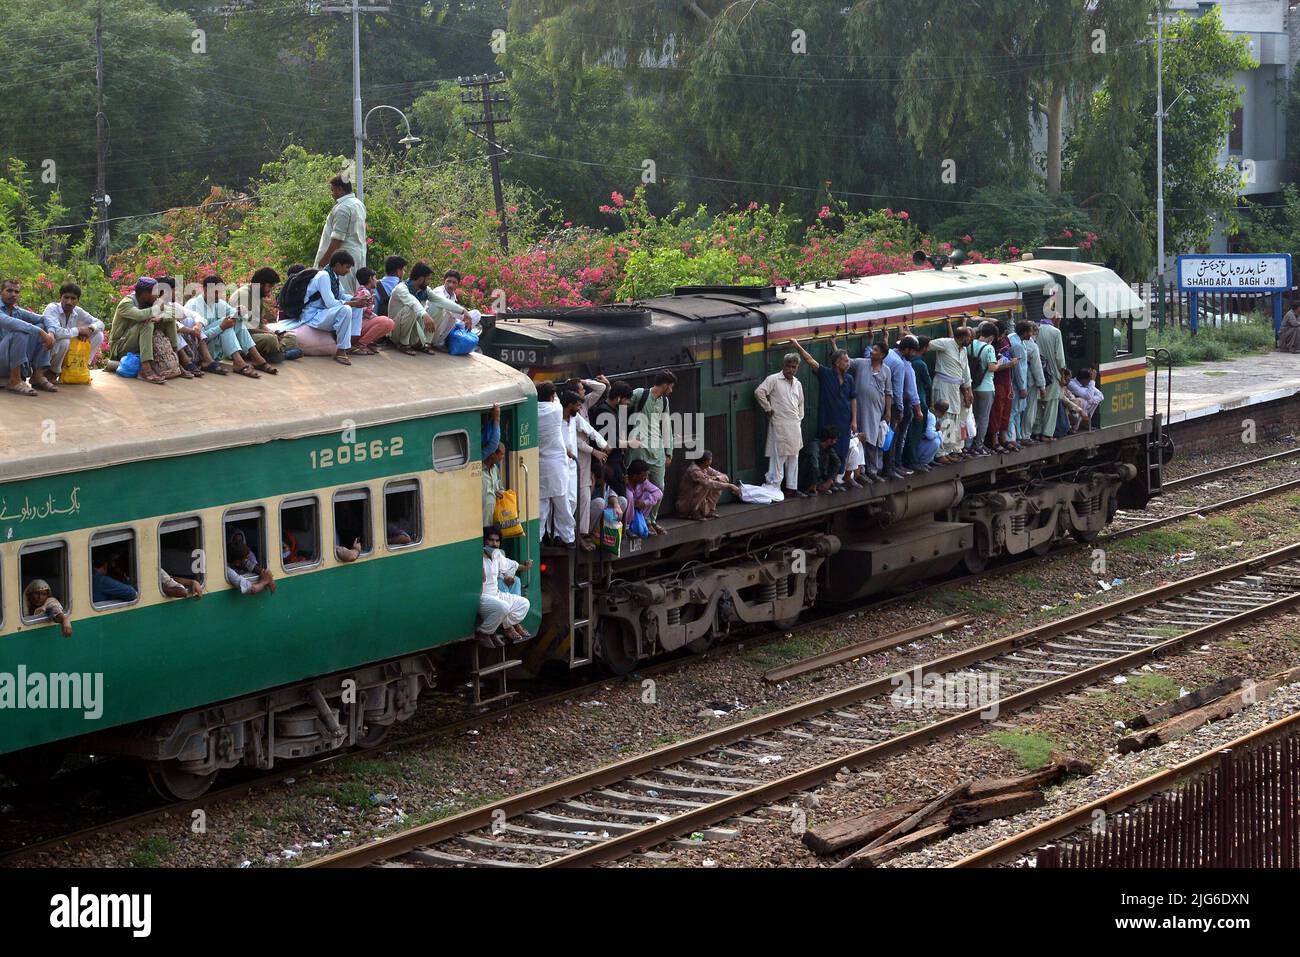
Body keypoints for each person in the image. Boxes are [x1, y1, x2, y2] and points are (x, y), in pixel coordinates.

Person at [788, 337, 858, 489]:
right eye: (845, 361)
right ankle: (824, 481)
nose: (848, 363)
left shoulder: (849, 379)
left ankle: (835, 480)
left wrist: (854, 421)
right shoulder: (825, 374)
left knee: (842, 451)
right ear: (837, 363)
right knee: (826, 453)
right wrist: (797, 345)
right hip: (828, 421)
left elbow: (853, 399)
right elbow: (810, 360)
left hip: (844, 422)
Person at [281, 250, 367, 365]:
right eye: (347, 267)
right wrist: (353, 303)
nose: (348, 271)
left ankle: (350, 343)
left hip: (323, 313)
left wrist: (358, 299)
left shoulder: (334, 277)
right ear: (337, 265)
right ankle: (341, 351)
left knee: (358, 307)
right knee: (346, 309)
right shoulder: (324, 276)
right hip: (313, 315)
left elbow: (341, 295)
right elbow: (330, 303)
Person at [187, 274, 276, 378]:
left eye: (220, 292)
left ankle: (257, 358)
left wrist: (241, 311)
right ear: (205, 290)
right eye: (216, 292)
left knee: (236, 320)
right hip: (200, 351)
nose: (219, 296)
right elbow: (197, 337)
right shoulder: (193, 305)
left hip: (215, 349)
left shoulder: (219, 303)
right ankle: (240, 362)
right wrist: (221, 327)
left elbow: (242, 317)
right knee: (226, 325)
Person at [108, 277, 180, 386]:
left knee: (169, 320)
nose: (157, 296)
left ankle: (175, 360)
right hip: (120, 347)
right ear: (145, 294)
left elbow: (175, 312)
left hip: (135, 342)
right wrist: (158, 310)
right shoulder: (126, 303)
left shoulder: (149, 301)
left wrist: (161, 317)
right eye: (155, 293)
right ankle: (146, 370)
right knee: (146, 323)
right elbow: (140, 315)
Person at [754, 352, 807, 497]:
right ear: (784, 366)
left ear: (797, 368)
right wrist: (768, 408)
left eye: (794, 367)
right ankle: (774, 486)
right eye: (789, 366)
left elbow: (801, 403)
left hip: (795, 425)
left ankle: (792, 487)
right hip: (780, 425)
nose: (791, 369)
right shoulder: (774, 379)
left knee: (794, 456)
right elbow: (759, 392)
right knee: (778, 457)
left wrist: (799, 418)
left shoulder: (798, 383)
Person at [836, 336, 886, 482]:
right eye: (872, 348)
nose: (872, 351)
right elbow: (845, 361)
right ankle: (860, 472)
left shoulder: (886, 370)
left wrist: (887, 411)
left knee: (875, 441)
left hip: (876, 411)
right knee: (860, 439)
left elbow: (889, 392)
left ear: (882, 355)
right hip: (860, 410)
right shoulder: (862, 363)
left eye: (875, 350)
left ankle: (873, 470)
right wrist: (834, 346)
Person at [628, 371, 675, 524]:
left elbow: (667, 427)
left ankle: (650, 520)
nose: (672, 390)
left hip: (657, 449)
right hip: (638, 448)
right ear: (665, 384)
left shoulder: (665, 402)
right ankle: (634, 520)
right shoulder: (640, 394)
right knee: (636, 485)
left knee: (659, 486)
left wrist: (669, 452)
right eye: (671, 386)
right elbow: (622, 405)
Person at [229, 268, 302, 363]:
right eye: (270, 286)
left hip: (255, 335)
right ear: (260, 284)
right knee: (271, 340)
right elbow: (242, 328)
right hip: (240, 338)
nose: (270, 291)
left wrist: (273, 332)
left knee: (291, 337)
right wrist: (269, 334)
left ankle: (273, 353)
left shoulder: (258, 296)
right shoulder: (243, 295)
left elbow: (259, 323)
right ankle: (279, 354)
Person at [153, 276, 222, 375]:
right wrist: (191, 331)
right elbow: (175, 324)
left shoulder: (172, 304)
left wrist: (197, 326)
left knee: (191, 320)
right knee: (172, 325)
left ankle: (208, 360)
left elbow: (194, 314)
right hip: (160, 337)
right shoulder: (155, 305)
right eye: (174, 290)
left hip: (179, 334)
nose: (176, 293)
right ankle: (186, 361)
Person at [315, 174, 367, 299]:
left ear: (340, 189)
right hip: (357, 256)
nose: (332, 194)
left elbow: (337, 240)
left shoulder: (343, 208)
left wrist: (324, 261)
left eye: (332, 190)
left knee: (342, 296)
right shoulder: (358, 204)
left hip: (342, 260)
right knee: (355, 293)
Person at [536, 383, 577, 545]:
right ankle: (568, 538)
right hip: (557, 466)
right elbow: (558, 400)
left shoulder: (533, 412)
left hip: (540, 465)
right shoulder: (556, 410)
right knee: (563, 506)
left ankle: (538, 538)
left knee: (542, 506)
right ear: (552, 396)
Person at [479, 527, 532, 649]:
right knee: (503, 607)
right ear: (484, 541)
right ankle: (483, 633)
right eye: (491, 540)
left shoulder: (497, 555)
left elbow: (511, 564)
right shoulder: (478, 558)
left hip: (496, 594)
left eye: (497, 541)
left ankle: (504, 626)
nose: (494, 544)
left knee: (524, 603)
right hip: (482, 597)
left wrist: (525, 567)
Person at [1, 278, 56, 395]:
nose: (13, 294)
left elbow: (44, 318)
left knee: (42, 325)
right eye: (9, 290)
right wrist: (41, 332)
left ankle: (37, 375)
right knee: (20, 331)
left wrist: (50, 333)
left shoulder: (17, 311)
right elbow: (12, 323)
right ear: (1, 292)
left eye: (16, 292)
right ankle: (14, 380)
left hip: (9, 359)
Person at [40, 282, 105, 382]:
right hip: (47, 350)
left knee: (98, 335)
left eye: (73, 298)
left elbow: (100, 323)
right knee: (64, 340)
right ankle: (51, 373)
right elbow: (57, 332)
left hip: (65, 351)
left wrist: (90, 329)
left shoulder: (77, 311)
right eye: (66, 297)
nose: (69, 302)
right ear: (60, 297)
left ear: (78, 300)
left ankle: (81, 366)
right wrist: (78, 330)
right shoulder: (52, 308)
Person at [929, 323, 973, 464]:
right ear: (962, 337)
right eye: (969, 338)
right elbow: (927, 344)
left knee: (953, 416)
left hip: (955, 387)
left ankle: (948, 450)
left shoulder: (963, 350)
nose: (970, 340)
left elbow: (965, 372)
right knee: (943, 416)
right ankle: (939, 452)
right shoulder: (946, 343)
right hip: (943, 385)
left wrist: (968, 390)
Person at [966, 321, 1003, 456]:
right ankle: (978, 446)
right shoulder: (989, 348)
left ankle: (967, 445)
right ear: (991, 337)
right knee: (983, 418)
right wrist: (999, 363)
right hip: (986, 387)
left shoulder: (970, 345)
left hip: (971, 386)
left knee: (971, 417)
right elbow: (992, 368)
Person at [386, 262, 439, 354]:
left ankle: (424, 343)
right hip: (395, 333)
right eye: (428, 279)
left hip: (413, 332)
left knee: (438, 307)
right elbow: (413, 302)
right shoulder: (401, 288)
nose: (429, 282)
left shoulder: (425, 290)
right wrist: (425, 315)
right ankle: (403, 344)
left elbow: (441, 301)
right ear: (421, 278)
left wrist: (463, 312)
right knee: (411, 308)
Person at [879, 334, 912, 478]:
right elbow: (897, 390)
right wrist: (900, 409)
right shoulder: (899, 363)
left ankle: (886, 467)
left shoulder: (889, 353)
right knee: (891, 437)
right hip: (891, 405)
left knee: (884, 436)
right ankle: (889, 469)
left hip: (879, 401)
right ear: (907, 350)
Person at [677, 450, 740, 520]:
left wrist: (717, 478)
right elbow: (709, 484)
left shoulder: (705, 467)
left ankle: (708, 510)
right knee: (707, 485)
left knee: (719, 483)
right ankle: (694, 512)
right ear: (704, 461)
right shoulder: (694, 470)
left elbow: (725, 477)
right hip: (686, 504)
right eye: (709, 460)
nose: (710, 462)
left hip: (699, 503)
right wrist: (730, 486)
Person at [1034, 315, 1068, 442]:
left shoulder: (1035, 328)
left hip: (1036, 373)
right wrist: (1063, 374)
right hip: (1052, 374)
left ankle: (1036, 432)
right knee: (1051, 405)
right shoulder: (1056, 332)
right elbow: (1060, 357)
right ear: (1056, 319)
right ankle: (1047, 434)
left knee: (1037, 404)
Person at [903, 335, 935, 471]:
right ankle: (914, 461)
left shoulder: (907, 362)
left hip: (907, 402)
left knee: (908, 434)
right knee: (915, 434)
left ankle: (909, 460)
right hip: (919, 402)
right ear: (923, 348)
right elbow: (928, 384)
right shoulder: (920, 364)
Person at [350, 267, 396, 355]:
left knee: (388, 322)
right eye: (375, 278)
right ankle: (360, 345)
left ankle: (367, 343)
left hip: (358, 326)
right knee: (387, 322)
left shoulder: (366, 291)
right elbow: (364, 311)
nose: (376, 280)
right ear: (370, 279)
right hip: (356, 327)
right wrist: (376, 318)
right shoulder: (364, 293)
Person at [427, 270, 478, 350]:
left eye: (454, 283)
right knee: (446, 312)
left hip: (447, 328)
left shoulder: (453, 296)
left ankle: (457, 333)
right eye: (448, 281)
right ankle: (436, 342)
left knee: (476, 313)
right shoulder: (438, 291)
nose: (451, 285)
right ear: (444, 281)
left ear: (458, 284)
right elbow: (447, 305)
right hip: (431, 329)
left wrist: (466, 317)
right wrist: (464, 314)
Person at [988, 322, 1019, 453]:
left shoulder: (1006, 339)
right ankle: (994, 440)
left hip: (1007, 380)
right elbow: (991, 368)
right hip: (997, 381)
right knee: (997, 411)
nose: (1001, 337)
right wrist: (1010, 364)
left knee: (1007, 410)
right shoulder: (990, 347)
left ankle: (1004, 437)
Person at [1019, 320, 1046, 445]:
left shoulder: (1015, 340)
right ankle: (1025, 435)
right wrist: (1042, 385)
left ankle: (1016, 434)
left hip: (1017, 381)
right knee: (1030, 409)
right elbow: (1037, 368)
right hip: (1030, 382)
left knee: (1016, 410)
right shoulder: (1032, 346)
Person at [226, 531, 276, 595]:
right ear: (237, 562)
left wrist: (265, 573)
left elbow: (253, 567)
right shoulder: (228, 571)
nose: (247, 561)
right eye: (245, 559)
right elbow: (253, 589)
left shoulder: (241, 562)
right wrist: (265, 582)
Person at [623, 458, 664, 536]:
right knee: (629, 495)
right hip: (624, 517)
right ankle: (627, 528)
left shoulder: (643, 482)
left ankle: (642, 522)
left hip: (637, 513)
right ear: (634, 476)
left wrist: (644, 503)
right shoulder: (625, 482)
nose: (646, 477)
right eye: (643, 475)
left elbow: (659, 493)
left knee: (649, 495)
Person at [799, 426, 841, 495]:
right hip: (805, 478)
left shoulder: (829, 448)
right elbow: (814, 466)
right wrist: (814, 484)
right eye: (835, 440)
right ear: (829, 440)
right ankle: (811, 487)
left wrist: (829, 480)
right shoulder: (814, 446)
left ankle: (821, 484)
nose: (835, 442)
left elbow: (837, 462)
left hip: (819, 477)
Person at [1007, 320, 1030, 450]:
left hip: (1015, 383)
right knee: (1014, 411)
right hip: (1017, 385)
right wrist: (1022, 387)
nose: (1031, 335)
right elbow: (1019, 369)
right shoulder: (1018, 346)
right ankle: (1011, 438)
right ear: (1025, 332)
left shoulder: (1013, 338)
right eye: (1030, 332)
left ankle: (1018, 436)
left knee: (1017, 411)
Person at [483, 440, 507, 527]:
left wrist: (501, 492)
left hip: (495, 517)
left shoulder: (495, 469)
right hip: (483, 517)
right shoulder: (479, 472)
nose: (503, 457)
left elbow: (501, 488)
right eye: (502, 454)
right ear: (493, 454)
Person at [917, 400, 947, 467]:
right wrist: (940, 432)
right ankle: (923, 462)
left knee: (937, 438)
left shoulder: (933, 414)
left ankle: (929, 461)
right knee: (936, 441)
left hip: (919, 444)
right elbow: (929, 435)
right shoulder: (932, 416)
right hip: (918, 445)